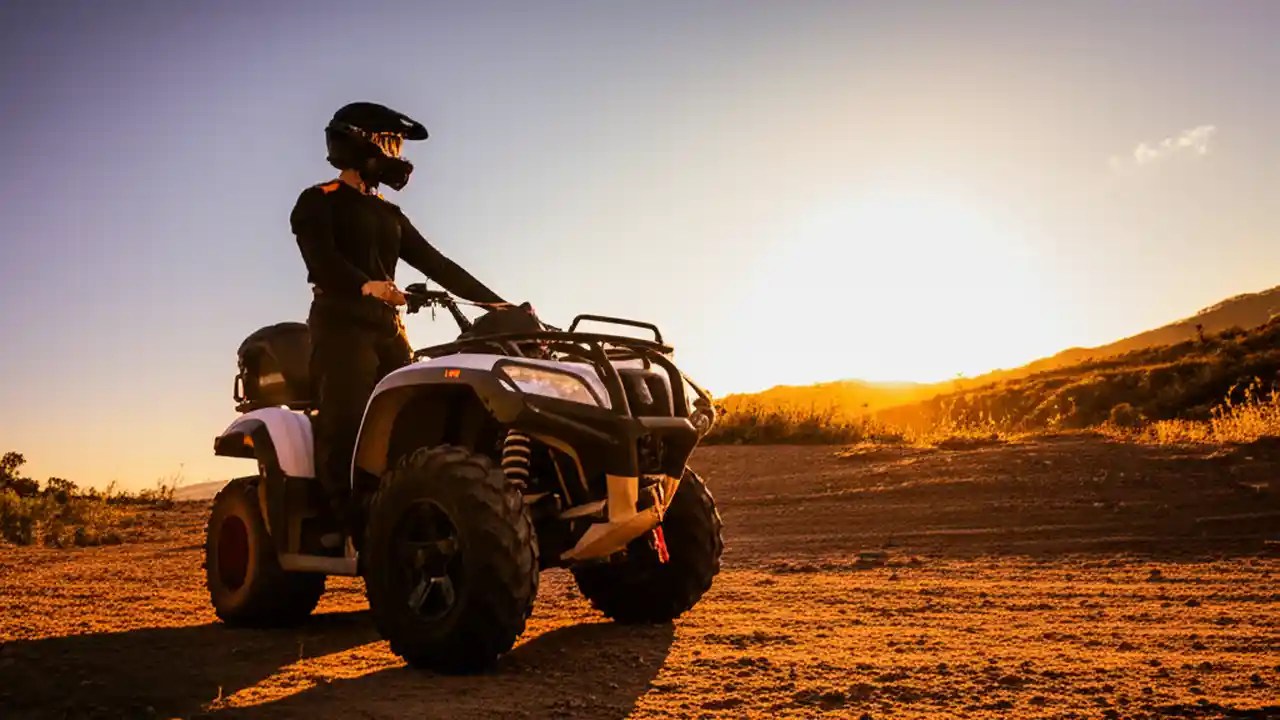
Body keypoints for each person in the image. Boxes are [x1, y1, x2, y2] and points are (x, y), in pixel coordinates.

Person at [290, 101, 507, 543]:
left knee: (418, 418)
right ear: (359, 142)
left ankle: (406, 512)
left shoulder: (389, 214)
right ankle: (350, 527)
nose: (397, 153)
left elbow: (437, 263)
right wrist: (365, 285)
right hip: (341, 325)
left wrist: (498, 306)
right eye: (389, 141)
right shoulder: (318, 201)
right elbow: (322, 260)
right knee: (348, 420)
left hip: (389, 328)